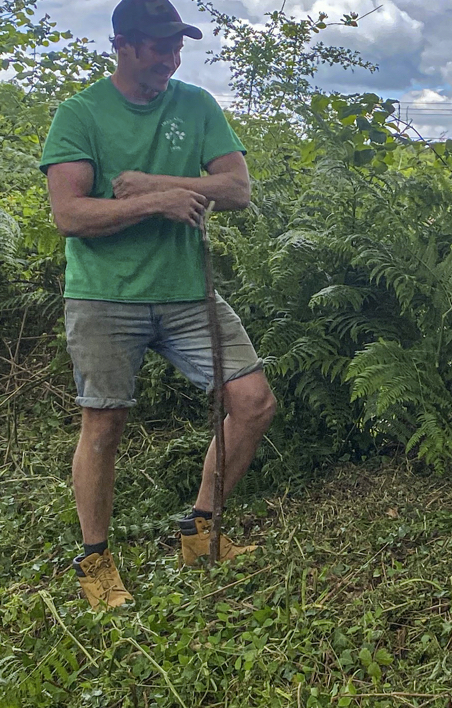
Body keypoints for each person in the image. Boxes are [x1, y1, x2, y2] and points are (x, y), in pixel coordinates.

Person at [39, 0, 276, 608]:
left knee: (253, 402)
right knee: (105, 423)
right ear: (123, 45)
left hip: (187, 291)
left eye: (178, 45)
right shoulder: (81, 113)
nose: (172, 58)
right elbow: (69, 214)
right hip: (104, 296)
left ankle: (201, 531)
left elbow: (238, 189)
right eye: (159, 46)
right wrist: (155, 203)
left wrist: (157, 184)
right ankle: (95, 561)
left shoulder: (196, 105)